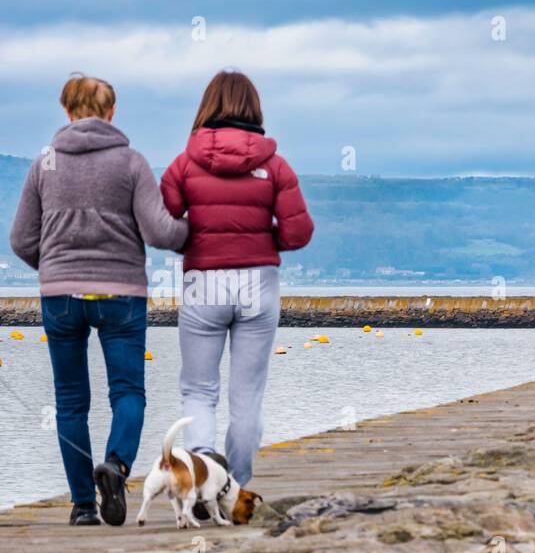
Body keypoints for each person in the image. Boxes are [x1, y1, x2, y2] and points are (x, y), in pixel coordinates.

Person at [9, 75, 189, 526]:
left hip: (61, 296)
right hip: (121, 294)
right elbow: (160, 232)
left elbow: (19, 239)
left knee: (71, 401)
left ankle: (83, 506)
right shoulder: (130, 163)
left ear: (66, 111)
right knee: (127, 391)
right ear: (111, 112)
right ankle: (116, 465)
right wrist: (193, 229)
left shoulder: (43, 165)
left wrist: (52, 266)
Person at [162, 70, 313, 501]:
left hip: (203, 280)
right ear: (254, 109)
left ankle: (202, 472)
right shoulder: (276, 165)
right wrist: (267, 239)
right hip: (258, 282)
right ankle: (236, 485)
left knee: (198, 389)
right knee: (246, 395)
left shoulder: (184, 163)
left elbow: (165, 219)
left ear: (207, 106)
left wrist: (195, 237)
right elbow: (299, 232)